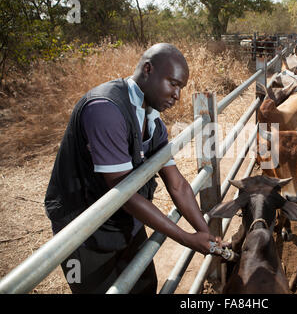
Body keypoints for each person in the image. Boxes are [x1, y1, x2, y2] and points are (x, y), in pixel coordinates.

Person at [44, 43, 219, 294]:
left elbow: (177, 184)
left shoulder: (153, 121)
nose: (177, 95)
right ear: (148, 69)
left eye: (181, 88)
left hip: (124, 219)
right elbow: (122, 190)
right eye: (173, 83)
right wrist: (186, 238)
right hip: (84, 228)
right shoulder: (105, 109)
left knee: (143, 285)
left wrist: (204, 232)